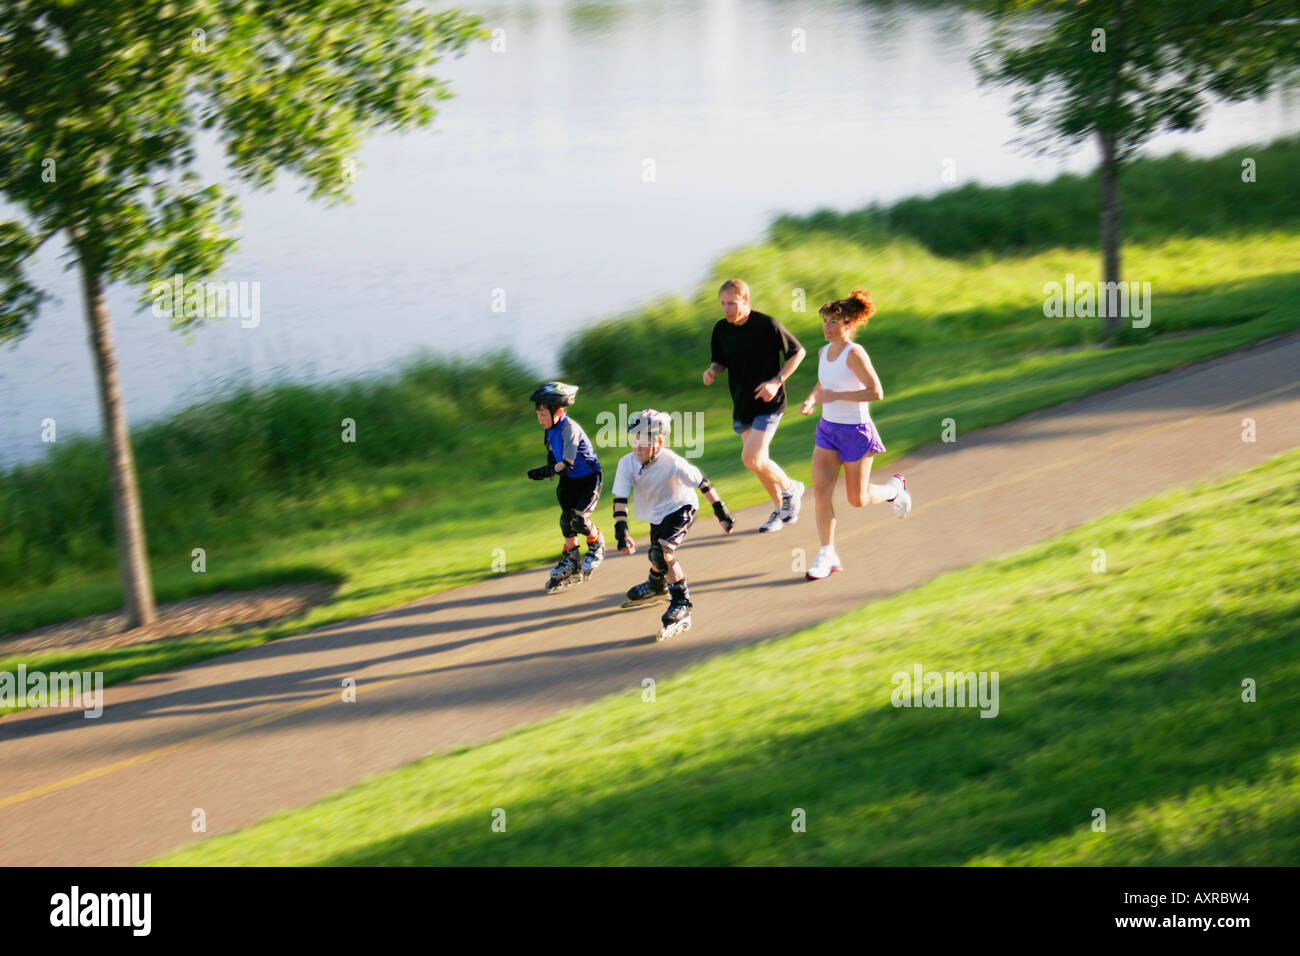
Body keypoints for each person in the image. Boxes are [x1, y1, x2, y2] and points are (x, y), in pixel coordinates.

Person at [798, 289, 912, 581]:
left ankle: (894, 491)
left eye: (834, 322)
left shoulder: (855, 353)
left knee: (857, 499)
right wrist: (813, 399)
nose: (827, 327)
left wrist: (836, 395)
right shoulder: (824, 352)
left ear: (849, 324)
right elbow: (824, 383)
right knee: (821, 491)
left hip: (855, 433)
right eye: (824, 321)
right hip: (827, 430)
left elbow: (876, 391)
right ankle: (827, 553)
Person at [612, 409, 735, 641]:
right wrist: (621, 530)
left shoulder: (673, 462)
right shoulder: (627, 463)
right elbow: (619, 499)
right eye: (634, 440)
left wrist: (721, 512)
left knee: (664, 553)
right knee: (655, 555)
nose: (637, 447)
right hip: (657, 514)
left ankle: (682, 602)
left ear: (658, 442)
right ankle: (657, 584)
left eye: (643, 442)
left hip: (682, 508)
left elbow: (704, 484)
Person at [703, 278, 807, 533]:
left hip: (769, 402)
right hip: (742, 404)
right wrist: (712, 371)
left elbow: (798, 352)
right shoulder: (721, 329)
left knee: (751, 458)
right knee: (759, 463)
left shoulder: (767, 325)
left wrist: (777, 381)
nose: (727, 309)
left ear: (745, 300)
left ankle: (791, 488)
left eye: (732, 303)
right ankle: (779, 508)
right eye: (723, 304)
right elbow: (720, 361)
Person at [527, 382, 605, 592]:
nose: (540, 419)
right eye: (538, 414)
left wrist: (545, 472)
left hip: (588, 478)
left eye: (543, 414)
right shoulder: (550, 429)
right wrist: (551, 466)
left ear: (559, 411)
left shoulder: (569, 429)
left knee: (579, 520)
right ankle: (571, 558)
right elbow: (552, 452)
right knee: (566, 521)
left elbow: (567, 463)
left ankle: (596, 541)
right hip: (569, 480)